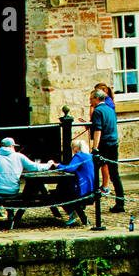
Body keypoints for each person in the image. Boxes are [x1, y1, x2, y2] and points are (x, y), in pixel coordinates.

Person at [0, 137, 50, 206]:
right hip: (13, 192)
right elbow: (35, 167)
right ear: (12, 146)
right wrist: (49, 164)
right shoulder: (19, 156)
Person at [90, 85, 124, 213]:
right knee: (115, 174)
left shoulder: (98, 111)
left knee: (92, 170)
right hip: (113, 143)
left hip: (104, 144)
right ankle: (120, 203)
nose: (90, 101)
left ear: (97, 98)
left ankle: (89, 199)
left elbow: (98, 131)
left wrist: (95, 148)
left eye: (91, 98)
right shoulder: (110, 109)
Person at [52, 139, 95, 226]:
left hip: (82, 188)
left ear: (75, 149)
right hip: (90, 188)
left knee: (58, 193)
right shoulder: (89, 155)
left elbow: (70, 168)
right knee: (62, 188)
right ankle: (76, 213)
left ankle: (72, 212)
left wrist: (57, 165)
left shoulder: (79, 156)